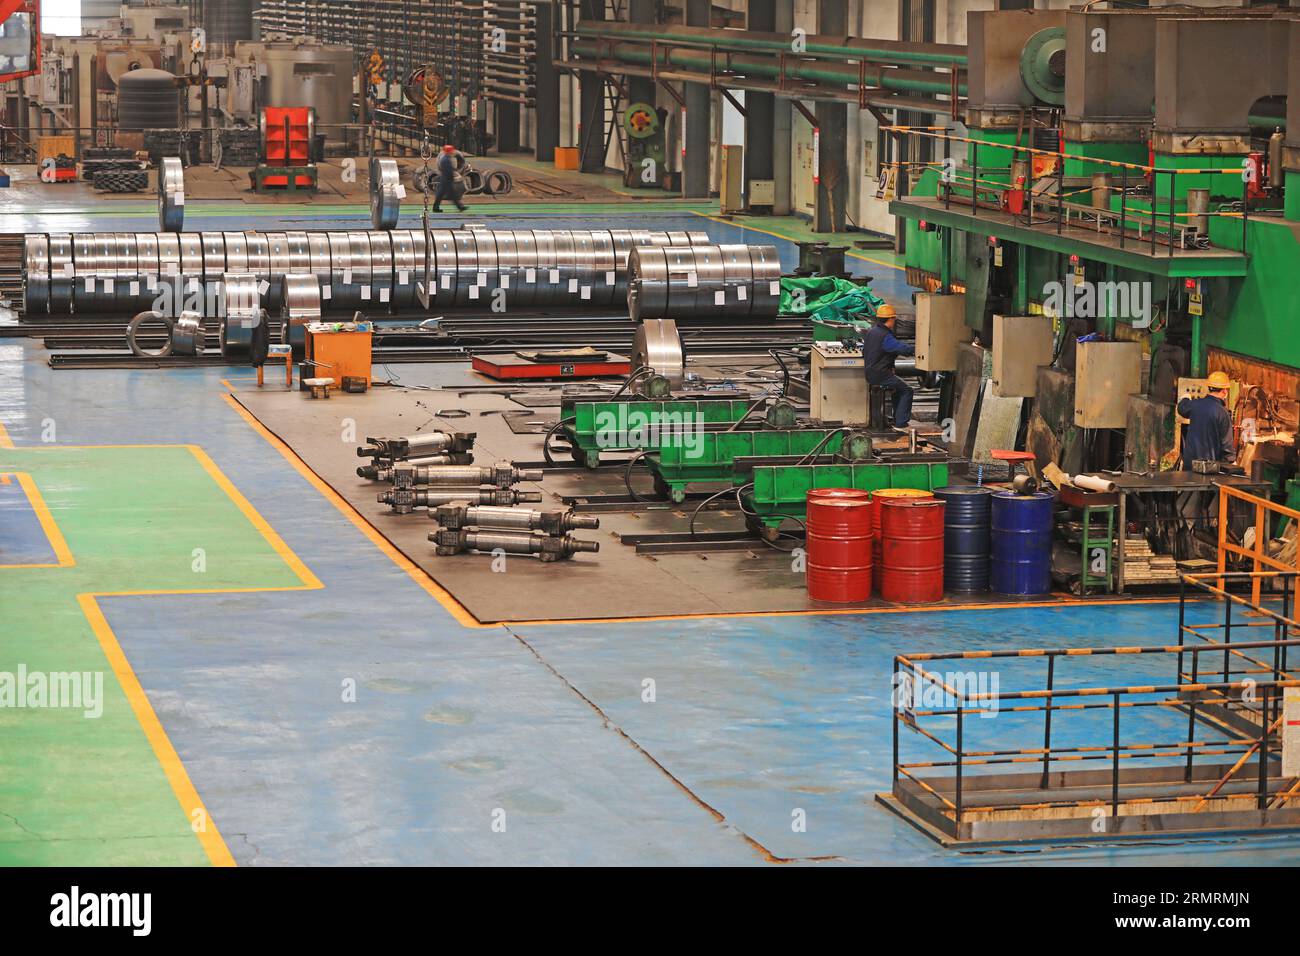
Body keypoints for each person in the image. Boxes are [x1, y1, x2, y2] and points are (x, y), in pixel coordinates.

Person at [860, 303, 915, 427]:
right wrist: (917, 350)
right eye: (894, 318)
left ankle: (896, 418)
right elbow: (901, 348)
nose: (894, 321)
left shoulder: (872, 331)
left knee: (898, 389)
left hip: (870, 372)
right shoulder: (885, 336)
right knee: (907, 390)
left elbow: (865, 352)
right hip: (880, 374)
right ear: (890, 319)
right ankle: (901, 423)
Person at [1177, 370, 1235, 470]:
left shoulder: (1195, 404)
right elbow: (1227, 446)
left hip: (1190, 465)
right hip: (1209, 468)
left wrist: (1186, 397)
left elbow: (1182, 408)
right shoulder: (1223, 413)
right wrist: (1229, 462)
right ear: (1225, 391)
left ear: (1209, 388)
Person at [432, 144, 466, 213]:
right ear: (448, 151)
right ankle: (460, 207)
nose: (453, 152)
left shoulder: (446, 158)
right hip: (446, 180)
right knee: (450, 195)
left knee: (444, 194)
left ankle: (460, 207)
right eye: (451, 151)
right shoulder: (445, 160)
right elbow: (448, 170)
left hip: (446, 179)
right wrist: (453, 176)